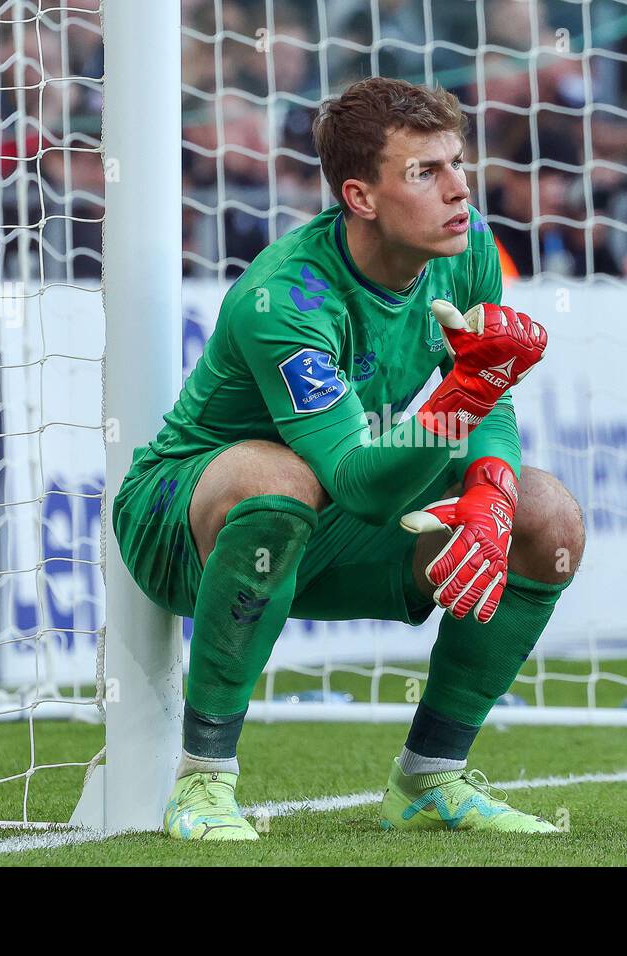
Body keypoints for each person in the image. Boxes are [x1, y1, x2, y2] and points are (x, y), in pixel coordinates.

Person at [112, 76, 585, 840]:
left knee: (547, 517)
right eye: (426, 173)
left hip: (325, 523)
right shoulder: (286, 298)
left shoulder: (464, 253)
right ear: (361, 197)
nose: (460, 189)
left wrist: (493, 491)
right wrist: (465, 391)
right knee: (277, 480)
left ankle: (432, 777)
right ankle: (202, 782)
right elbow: (358, 484)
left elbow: (489, 402)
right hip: (183, 523)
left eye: (458, 163)